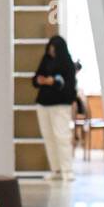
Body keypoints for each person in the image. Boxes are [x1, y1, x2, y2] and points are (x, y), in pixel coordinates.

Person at [32, 34, 78, 180]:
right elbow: (35, 79)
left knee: (62, 137)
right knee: (49, 137)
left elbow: (69, 87)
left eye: (54, 49)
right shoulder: (46, 60)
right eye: (50, 49)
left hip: (60, 105)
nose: (51, 52)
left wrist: (54, 82)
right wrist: (41, 80)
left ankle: (67, 170)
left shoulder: (67, 64)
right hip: (43, 104)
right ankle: (56, 170)